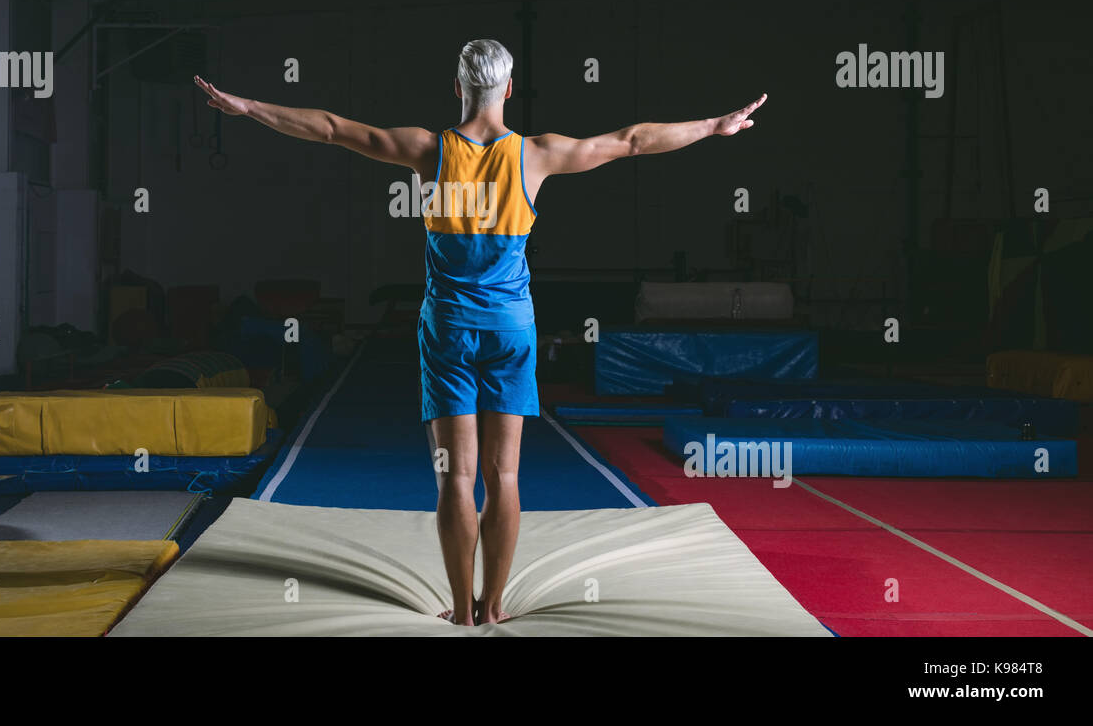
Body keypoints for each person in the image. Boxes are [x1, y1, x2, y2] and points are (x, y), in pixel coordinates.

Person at [194, 39, 765, 626]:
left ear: (457, 87)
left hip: (447, 327)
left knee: (456, 477)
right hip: (511, 328)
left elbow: (334, 128)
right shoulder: (537, 155)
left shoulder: (428, 150)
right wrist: (714, 125)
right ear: (509, 89)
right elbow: (632, 140)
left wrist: (251, 107)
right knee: (506, 474)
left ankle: (463, 612)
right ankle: (494, 605)